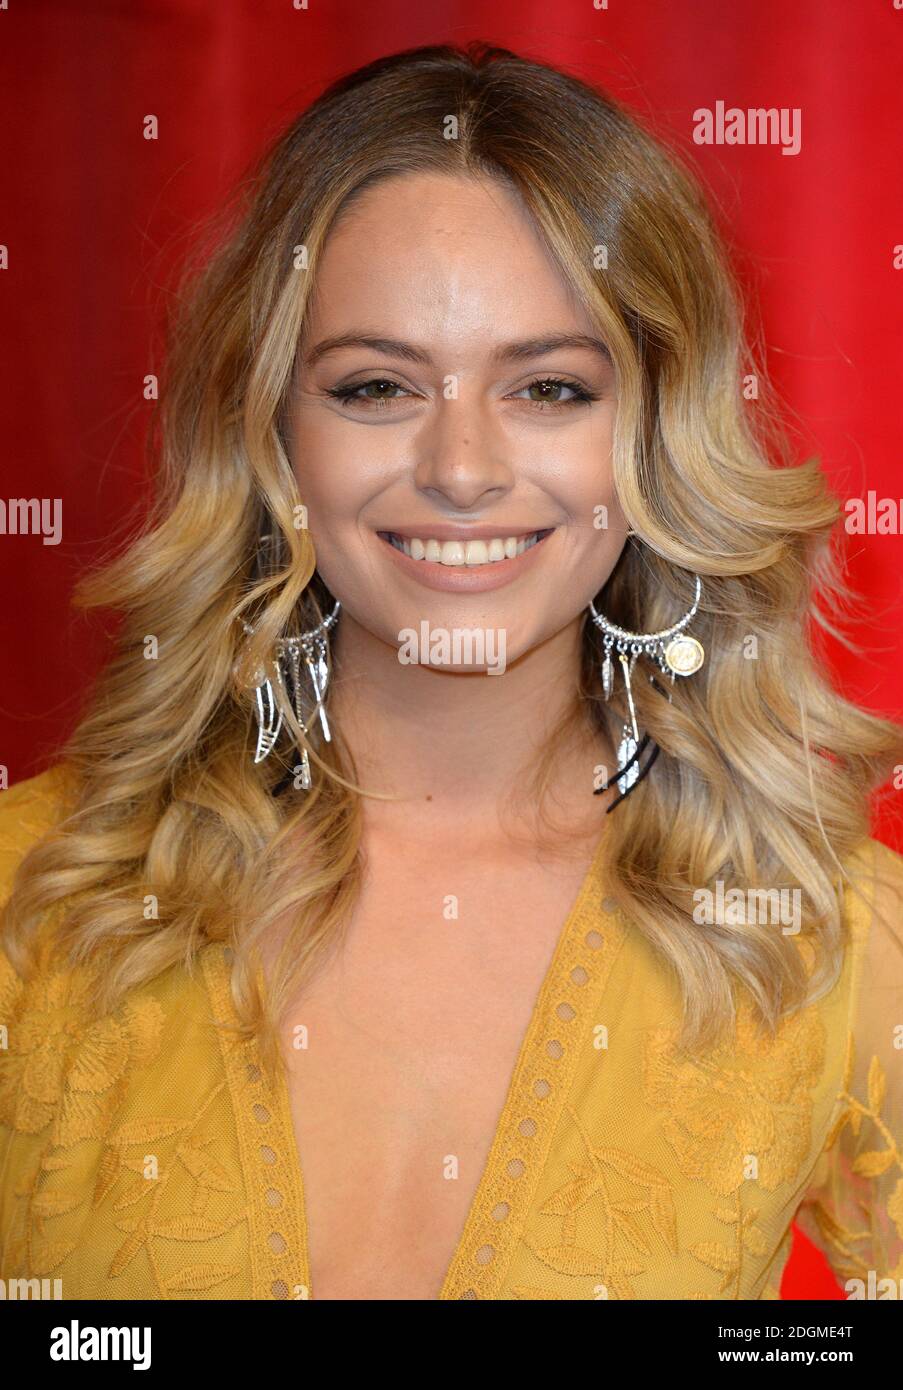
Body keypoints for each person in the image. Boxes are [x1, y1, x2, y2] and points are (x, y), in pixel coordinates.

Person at [1, 41, 902, 1303]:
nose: (464, 468)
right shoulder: (33, 901)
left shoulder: (830, 935)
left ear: (652, 435)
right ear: (270, 434)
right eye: (376, 386)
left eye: (548, 386)